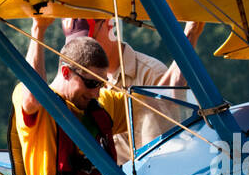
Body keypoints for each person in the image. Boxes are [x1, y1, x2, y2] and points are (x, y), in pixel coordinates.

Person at [10, 16, 129, 175]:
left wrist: (190, 36)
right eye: (91, 83)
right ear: (66, 72)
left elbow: (159, 105)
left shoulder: (103, 101)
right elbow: (33, 96)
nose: (96, 93)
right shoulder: (39, 108)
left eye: (101, 84)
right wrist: (38, 29)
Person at [64, 16, 205, 161]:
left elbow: (160, 147)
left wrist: (190, 35)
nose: (85, 49)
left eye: (90, 38)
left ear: (109, 25)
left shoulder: (151, 73)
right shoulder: (81, 84)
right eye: (78, 45)